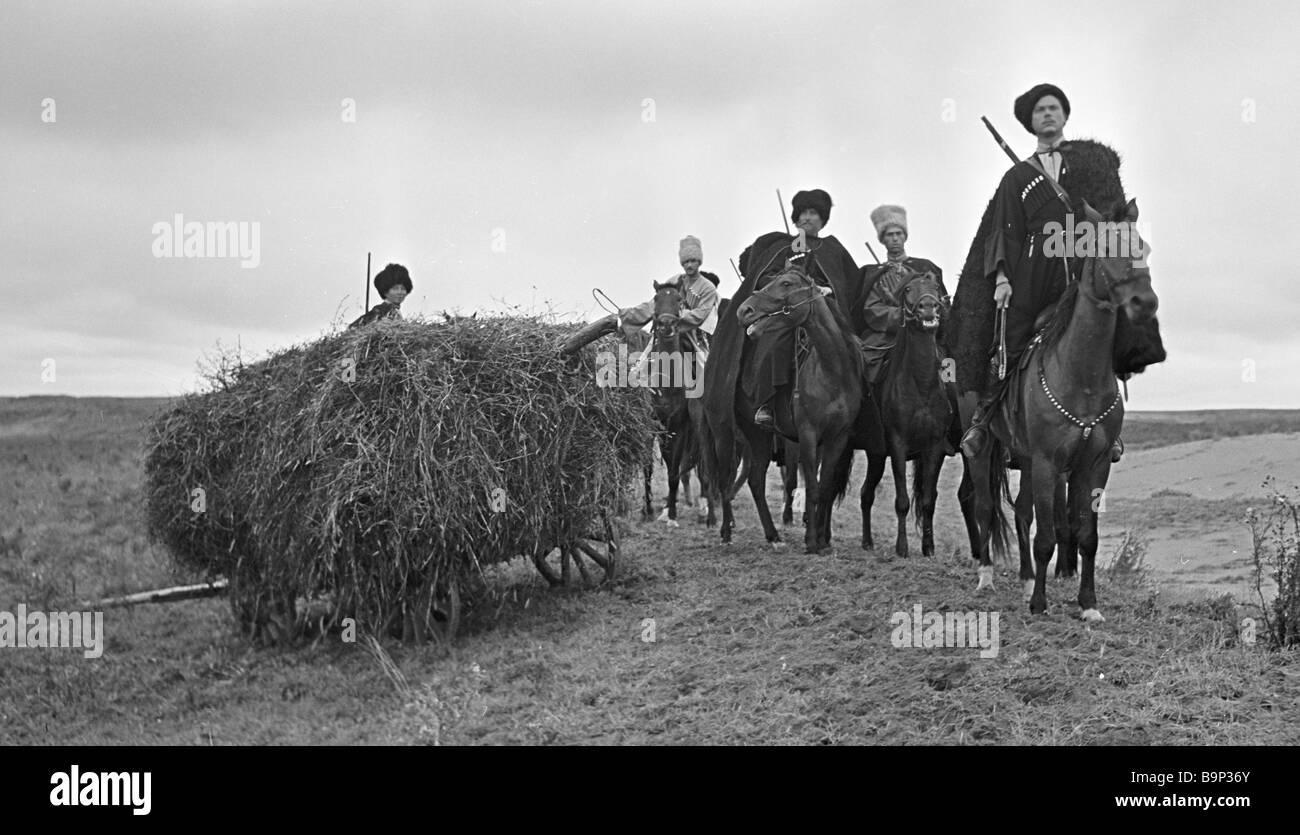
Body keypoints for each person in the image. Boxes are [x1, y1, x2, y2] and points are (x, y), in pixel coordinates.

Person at [959, 84, 1123, 462]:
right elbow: (1003, 229)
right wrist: (1002, 279)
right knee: (1010, 340)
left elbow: (1111, 214)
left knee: (1101, 333)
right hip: (1033, 270)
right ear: (1030, 123)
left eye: (1054, 108)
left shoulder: (1090, 164)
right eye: (1040, 111)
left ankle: (1111, 427)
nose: (1047, 114)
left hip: (1080, 266)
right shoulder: (1017, 177)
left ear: (1065, 116)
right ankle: (986, 418)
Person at [749, 189, 860, 427]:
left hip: (829, 313)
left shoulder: (833, 248)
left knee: (856, 350)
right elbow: (766, 278)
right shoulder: (784, 247)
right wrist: (788, 290)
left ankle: (861, 402)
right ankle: (770, 403)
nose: (806, 218)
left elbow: (851, 283)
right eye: (802, 214)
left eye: (813, 213)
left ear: (823, 219)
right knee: (774, 345)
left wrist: (829, 290)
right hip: (791, 314)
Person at [858, 204, 948, 385]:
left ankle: (956, 409)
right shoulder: (874, 273)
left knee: (949, 367)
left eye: (899, 234)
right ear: (882, 240)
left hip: (926, 332)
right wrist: (902, 317)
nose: (895, 239)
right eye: (890, 235)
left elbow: (940, 302)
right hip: (888, 337)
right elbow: (872, 309)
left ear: (905, 236)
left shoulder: (925, 267)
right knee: (865, 367)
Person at [619, 236, 720, 356]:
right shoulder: (675, 280)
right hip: (664, 329)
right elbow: (655, 305)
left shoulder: (708, 288)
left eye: (693, 261)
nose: (689, 265)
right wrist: (627, 314)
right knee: (640, 367)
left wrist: (676, 315)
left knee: (704, 368)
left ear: (699, 262)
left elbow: (700, 315)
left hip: (692, 335)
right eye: (686, 262)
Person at [349, 263, 412, 328]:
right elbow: (353, 328)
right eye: (395, 288)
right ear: (385, 291)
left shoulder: (396, 311)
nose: (400, 292)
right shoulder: (380, 311)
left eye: (403, 289)